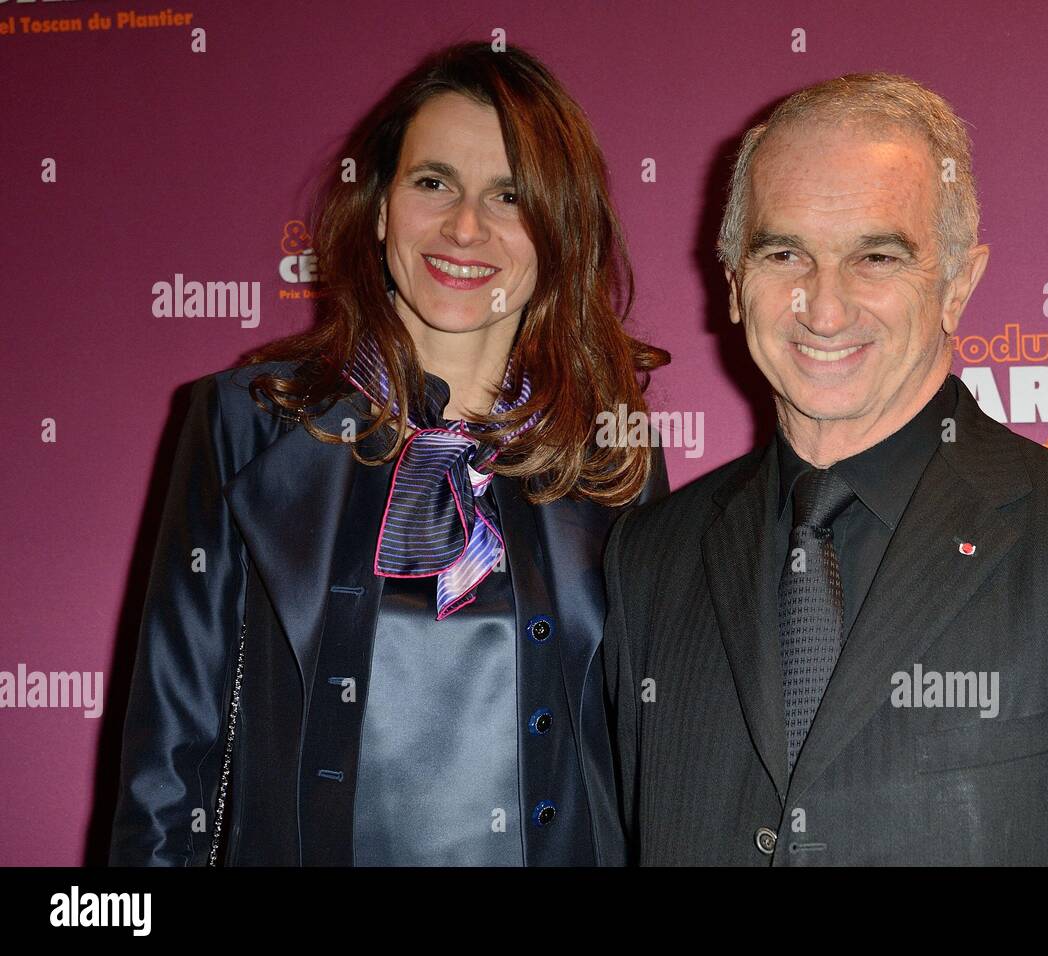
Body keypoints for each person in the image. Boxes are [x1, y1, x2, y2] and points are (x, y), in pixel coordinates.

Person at [601, 72, 1048, 865]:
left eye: (878, 256)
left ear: (958, 284)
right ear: (733, 283)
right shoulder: (650, 559)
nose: (824, 308)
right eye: (784, 252)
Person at [109, 41, 668, 866]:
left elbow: (648, 762)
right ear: (378, 209)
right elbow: (169, 754)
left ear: (558, 229)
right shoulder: (251, 425)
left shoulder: (612, 456)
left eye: (509, 195)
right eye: (432, 182)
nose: (464, 227)